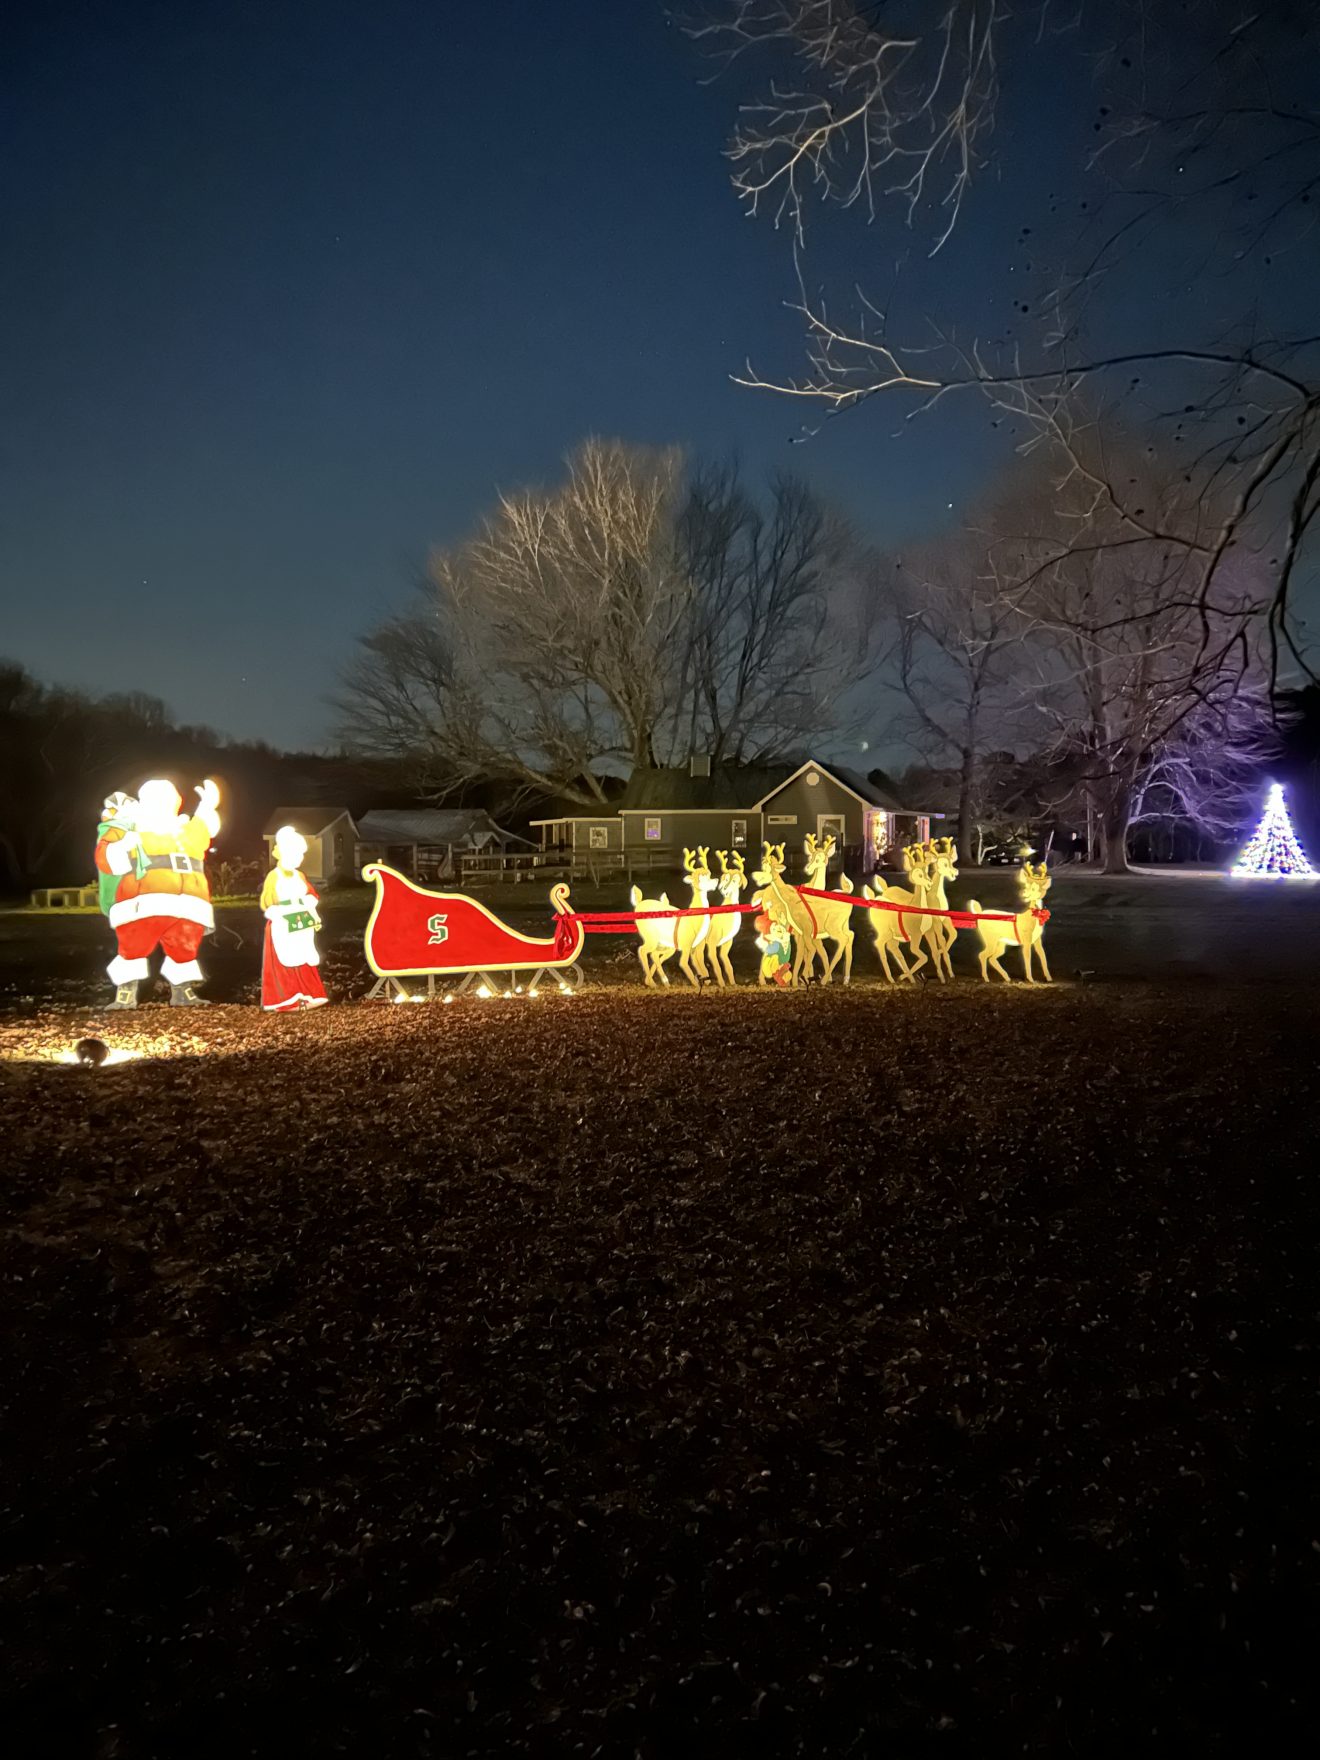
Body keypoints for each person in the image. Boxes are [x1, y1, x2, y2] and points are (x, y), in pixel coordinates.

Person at [95, 778, 220, 1008]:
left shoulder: (184, 831)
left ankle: (182, 992)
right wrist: (122, 846)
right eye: (156, 800)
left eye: (168, 800)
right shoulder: (131, 829)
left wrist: (207, 806)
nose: (162, 805)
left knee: (184, 947)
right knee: (133, 945)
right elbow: (106, 855)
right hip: (143, 900)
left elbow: (203, 830)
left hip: (188, 903)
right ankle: (125, 994)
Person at [260, 826, 328, 1011]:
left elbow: (311, 894)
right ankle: (288, 998)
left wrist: (309, 907)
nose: (299, 858)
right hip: (283, 921)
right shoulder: (274, 876)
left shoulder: (300, 876)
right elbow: (268, 900)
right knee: (286, 959)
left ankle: (308, 993)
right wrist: (279, 912)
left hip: (300, 919)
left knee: (304, 956)